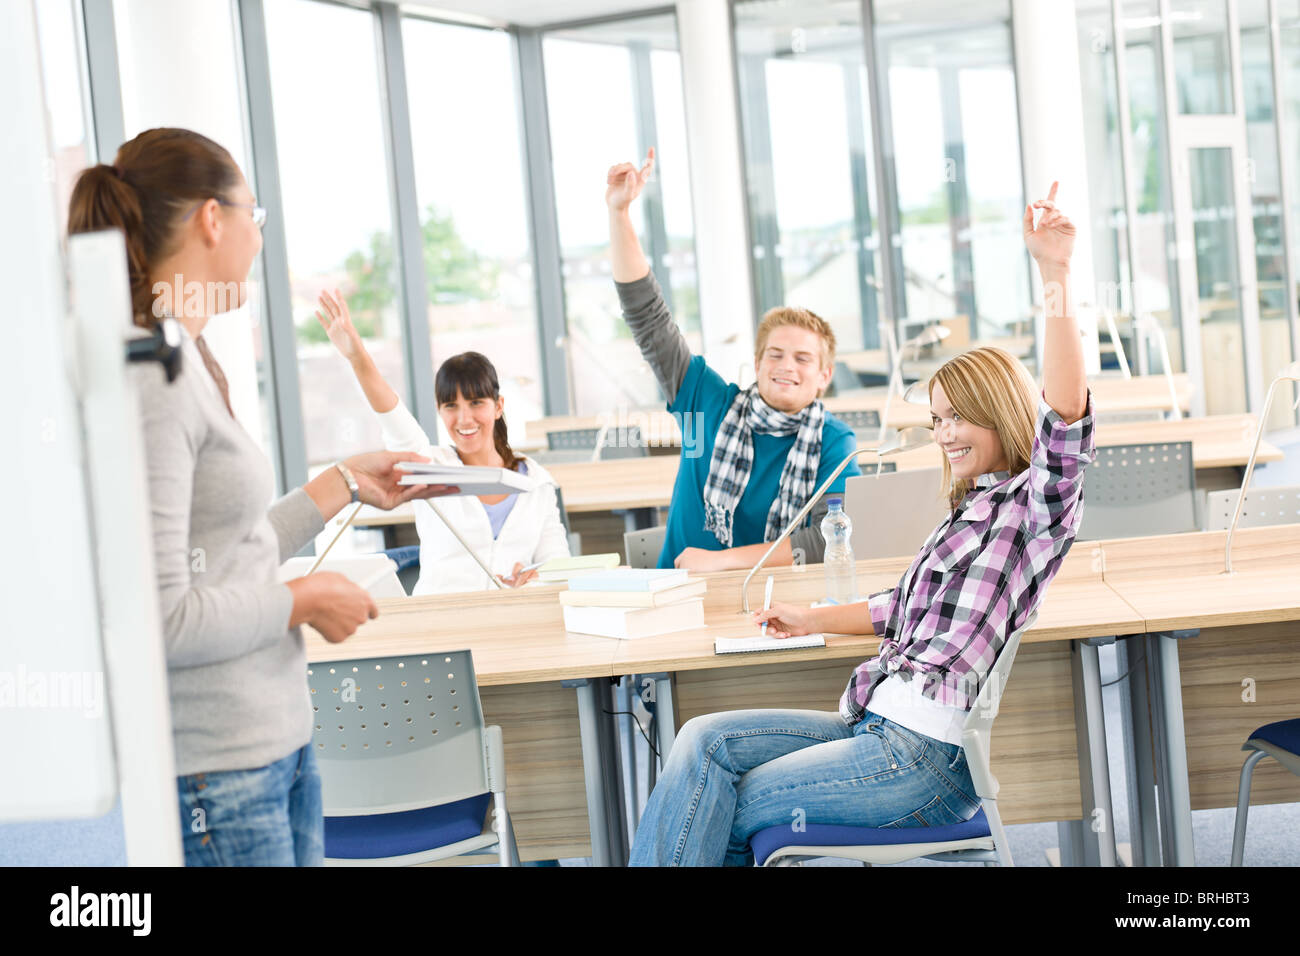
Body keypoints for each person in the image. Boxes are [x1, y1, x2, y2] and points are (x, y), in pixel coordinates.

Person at [628, 181, 1093, 866]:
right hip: (876, 722)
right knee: (702, 740)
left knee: (720, 807)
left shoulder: (1034, 507)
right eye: (936, 420)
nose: (944, 435)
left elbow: (1065, 418)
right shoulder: (968, 509)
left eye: (956, 416)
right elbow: (898, 606)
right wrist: (810, 617)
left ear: (999, 410)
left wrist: (1055, 273)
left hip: (922, 760)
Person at [68, 127, 458, 866]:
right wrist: (302, 602)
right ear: (213, 219)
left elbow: (222, 552)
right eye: (256, 215)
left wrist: (340, 485)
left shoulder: (186, 353)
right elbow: (161, 615)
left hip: (269, 748)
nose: (258, 238)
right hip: (217, 772)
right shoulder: (150, 376)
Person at [606, 148, 861, 571]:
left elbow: (826, 540)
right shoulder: (706, 403)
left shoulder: (835, 443)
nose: (786, 366)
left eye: (802, 358)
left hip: (780, 606)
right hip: (681, 598)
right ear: (758, 363)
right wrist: (619, 214)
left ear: (824, 375)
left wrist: (722, 562)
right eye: (775, 354)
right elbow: (647, 318)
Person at [314, 291, 570, 593]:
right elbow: (393, 417)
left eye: (476, 403)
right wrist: (357, 356)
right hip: (439, 624)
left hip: (509, 623)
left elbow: (558, 568)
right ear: (440, 410)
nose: (464, 419)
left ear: (498, 406)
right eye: (451, 406)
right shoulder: (430, 469)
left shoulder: (538, 483)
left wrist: (533, 581)